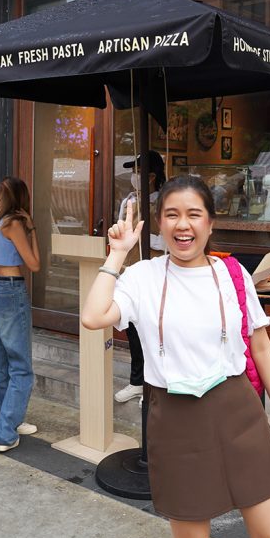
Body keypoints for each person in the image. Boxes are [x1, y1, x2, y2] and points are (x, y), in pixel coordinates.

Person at [82, 176, 270, 538]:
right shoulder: (142, 277)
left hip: (239, 413)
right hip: (176, 422)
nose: (182, 224)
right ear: (159, 223)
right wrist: (117, 254)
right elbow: (93, 317)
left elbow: (262, 348)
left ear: (210, 222)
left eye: (194, 214)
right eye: (172, 215)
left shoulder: (233, 274)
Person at [0, 177, 41, 452]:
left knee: (4, 363)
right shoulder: (14, 224)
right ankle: (5, 433)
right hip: (12, 292)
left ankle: (7, 419)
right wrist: (32, 229)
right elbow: (34, 264)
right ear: (21, 198)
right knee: (21, 368)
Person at [114, 150, 167, 406]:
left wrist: (144, 240)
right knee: (133, 331)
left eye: (137, 171)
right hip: (131, 273)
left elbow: (167, 241)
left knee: (155, 332)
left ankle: (154, 386)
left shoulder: (165, 201)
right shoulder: (129, 201)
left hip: (157, 274)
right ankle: (137, 382)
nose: (133, 176)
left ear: (151, 176)